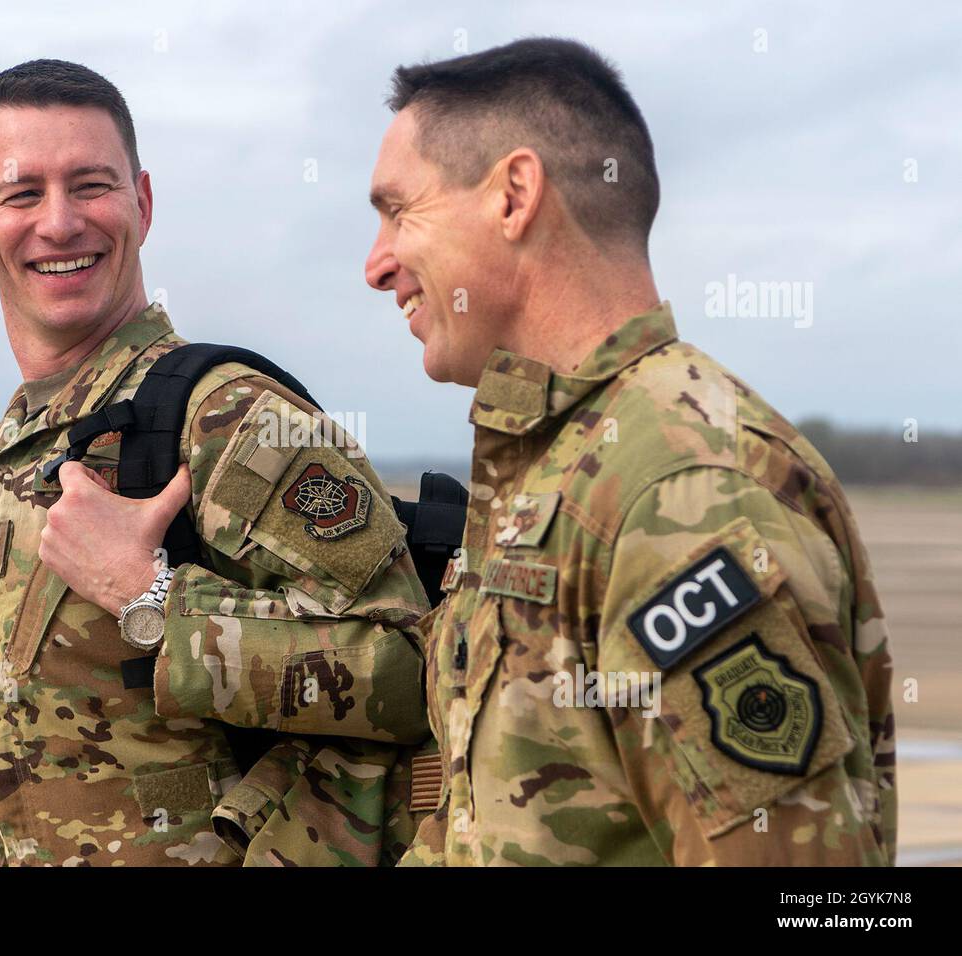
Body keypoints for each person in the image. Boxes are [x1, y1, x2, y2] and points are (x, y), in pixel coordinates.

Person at [362, 37, 896, 866]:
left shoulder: (678, 493)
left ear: (513, 195)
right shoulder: (556, 466)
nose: (377, 265)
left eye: (400, 210)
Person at [0, 59, 430, 866]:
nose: (59, 223)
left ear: (144, 204)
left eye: (91, 185)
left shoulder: (226, 417)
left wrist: (152, 596)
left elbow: (421, 665)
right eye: (22, 194)